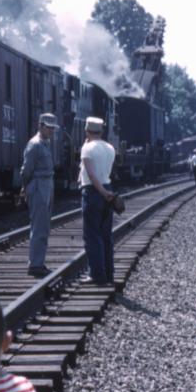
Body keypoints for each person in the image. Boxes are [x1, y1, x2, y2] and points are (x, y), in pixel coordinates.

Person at [21, 113, 59, 278]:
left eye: (53, 128)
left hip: (46, 185)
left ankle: (38, 262)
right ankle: (35, 265)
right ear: (40, 125)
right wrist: (26, 188)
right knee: (39, 227)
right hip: (38, 186)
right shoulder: (34, 145)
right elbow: (26, 171)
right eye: (48, 127)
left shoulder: (45, 143)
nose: (51, 131)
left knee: (44, 226)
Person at [79, 117, 116, 285]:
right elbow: (104, 172)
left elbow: (92, 175)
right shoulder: (110, 148)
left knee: (92, 235)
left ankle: (96, 274)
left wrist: (101, 192)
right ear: (101, 132)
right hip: (108, 188)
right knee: (106, 235)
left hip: (94, 192)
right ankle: (109, 273)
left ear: (87, 131)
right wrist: (107, 193)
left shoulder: (87, 149)